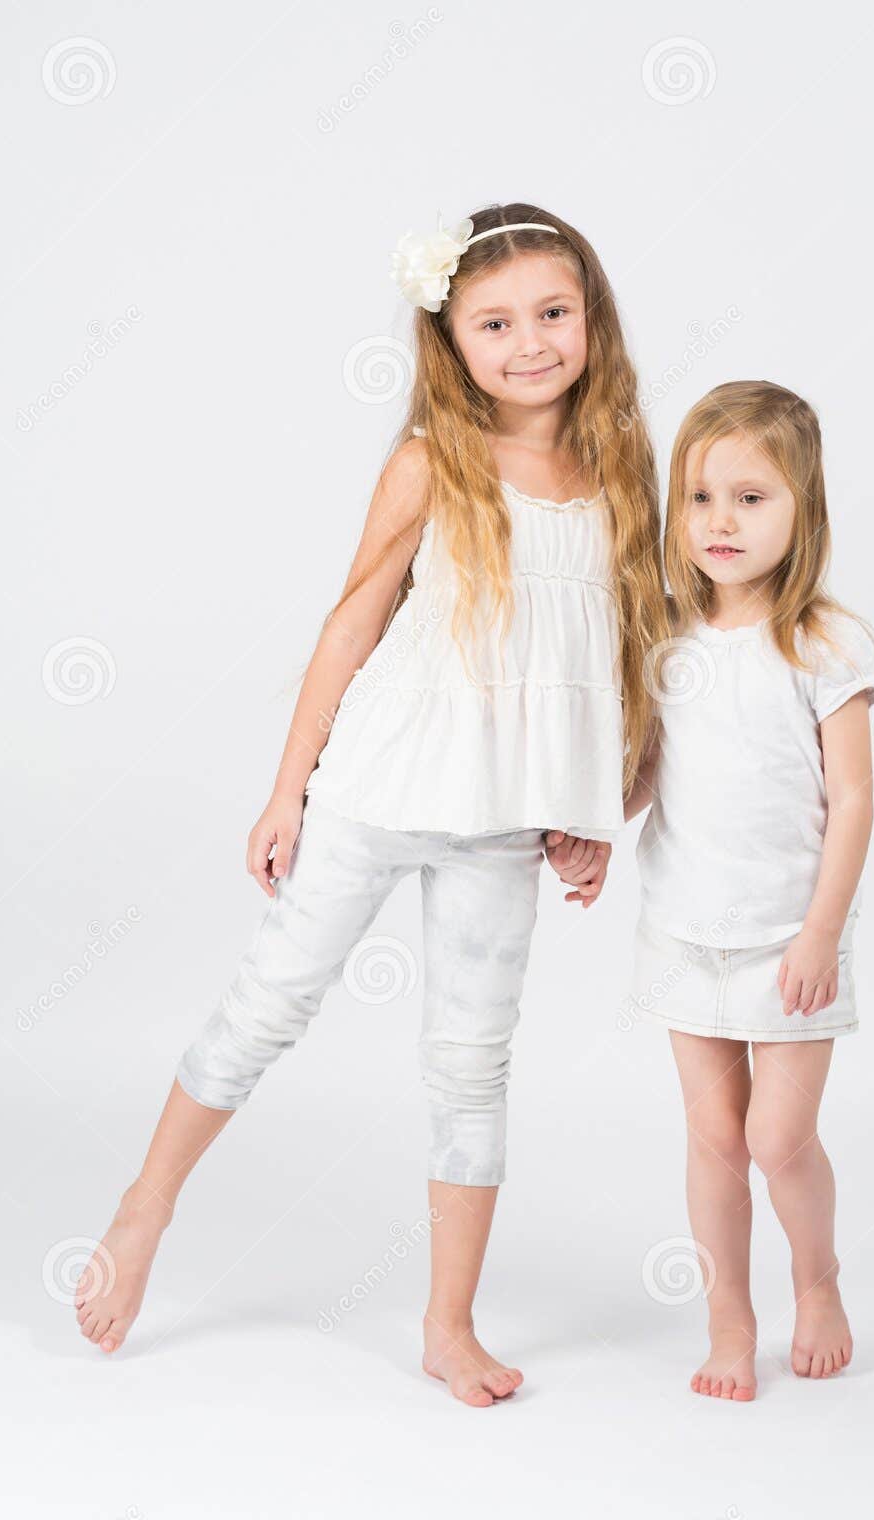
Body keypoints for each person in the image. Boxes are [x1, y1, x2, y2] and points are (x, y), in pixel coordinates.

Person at [74, 203, 669, 1406]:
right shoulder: (430, 460)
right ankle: (146, 1205)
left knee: (470, 1061)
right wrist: (286, 785)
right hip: (380, 783)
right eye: (493, 323)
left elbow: (624, 644)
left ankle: (448, 1324)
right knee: (269, 1003)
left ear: (592, 321)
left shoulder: (618, 475)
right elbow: (351, 619)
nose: (527, 343)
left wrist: (607, 800)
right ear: (448, 339)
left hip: (506, 816)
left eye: (553, 313)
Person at [624, 380, 874, 1402]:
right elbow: (647, 774)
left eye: (749, 497)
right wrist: (592, 828)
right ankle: (727, 1314)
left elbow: (853, 801)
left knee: (776, 1137)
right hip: (684, 933)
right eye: (698, 498)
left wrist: (820, 932)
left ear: (800, 509)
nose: (719, 522)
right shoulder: (668, 644)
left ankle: (813, 1279)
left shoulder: (823, 643)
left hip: (788, 938)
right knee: (713, 1139)